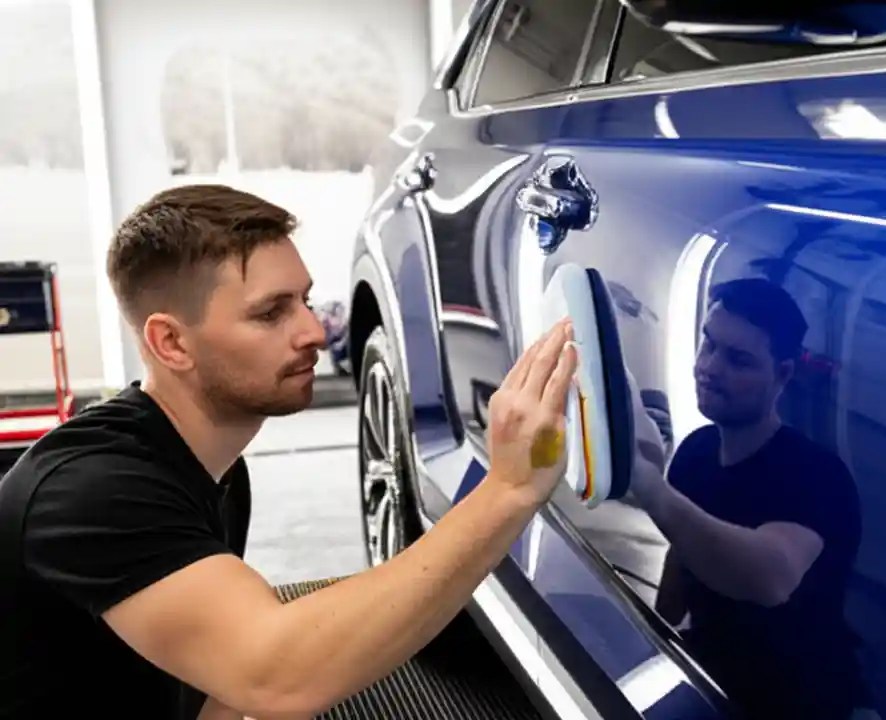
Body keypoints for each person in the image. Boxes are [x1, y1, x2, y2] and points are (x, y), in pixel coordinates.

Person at [0, 185, 579, 719]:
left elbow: (219, 691)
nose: (314, 332)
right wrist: (506, 489)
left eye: (304, 300)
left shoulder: (214, 470)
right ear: (171, 342)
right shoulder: (93, 490)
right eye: (271, 312)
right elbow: (279, 677)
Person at [629, 278, 873, 720]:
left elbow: (769, 577)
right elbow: (680, 571)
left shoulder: (815, 475)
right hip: (710, 680)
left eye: (738, 360)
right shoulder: (697, 451)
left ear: (781, 375)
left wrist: (649, 487)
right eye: (709, 346)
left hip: (801, 702)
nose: (709, 368)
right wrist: (652, 639)